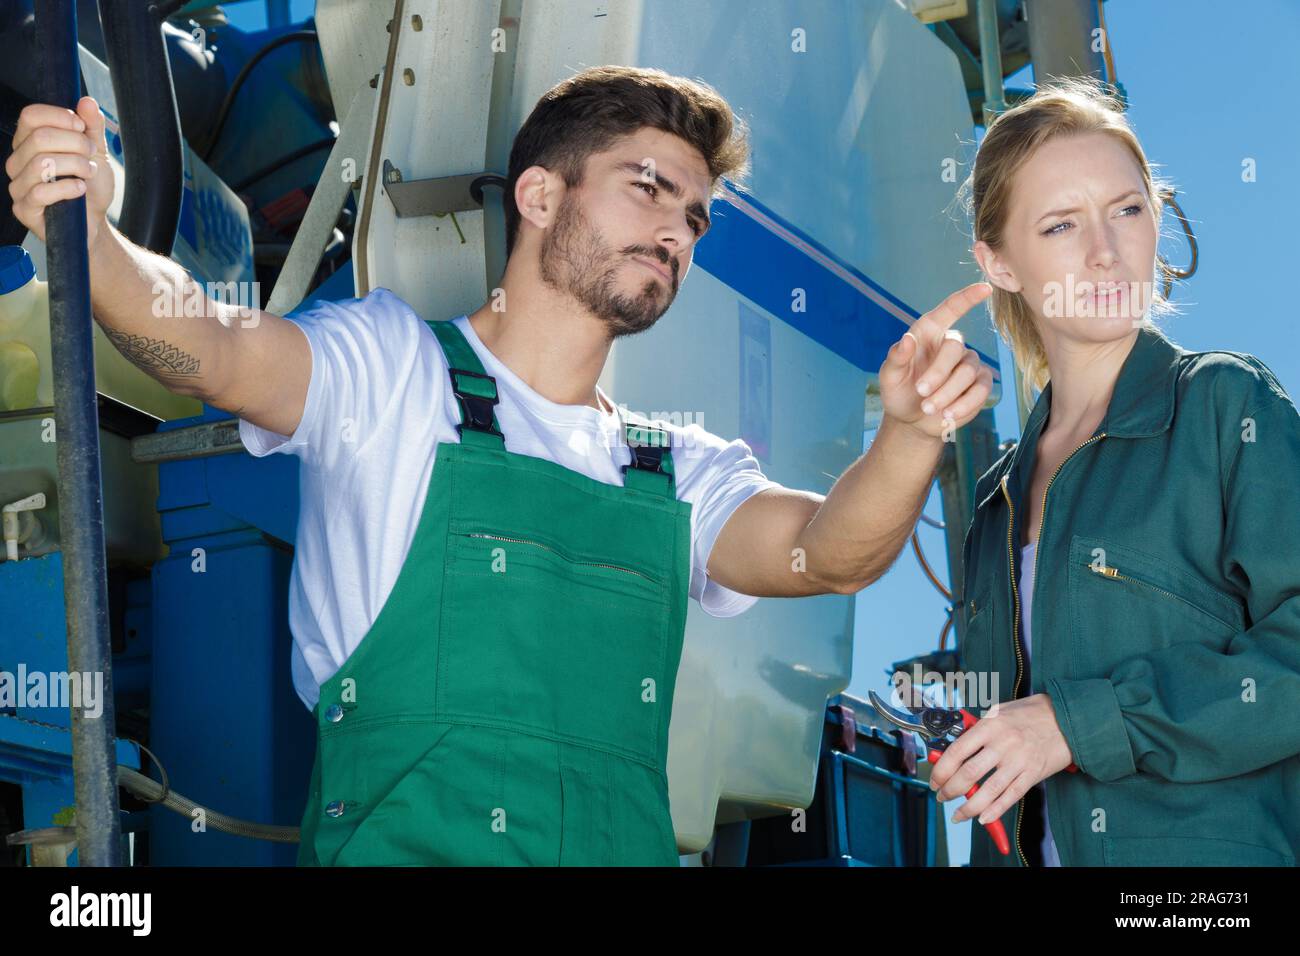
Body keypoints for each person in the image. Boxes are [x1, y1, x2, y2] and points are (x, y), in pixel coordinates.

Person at [7, 65, 992, 866]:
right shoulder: (392, 371)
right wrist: (93, 238)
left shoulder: (672, 467)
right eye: (648, 188)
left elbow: (826, 553)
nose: (673, 231)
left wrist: (907, 433)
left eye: (694, 216)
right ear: (538, 192)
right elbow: (217, 345)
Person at [929, 76, 1300, 867]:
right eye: (1062, 225)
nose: (1106, 252)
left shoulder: (1223, 408)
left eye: (1127, 211)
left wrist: (1077, 724)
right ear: (999, 263)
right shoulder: (994, 502)